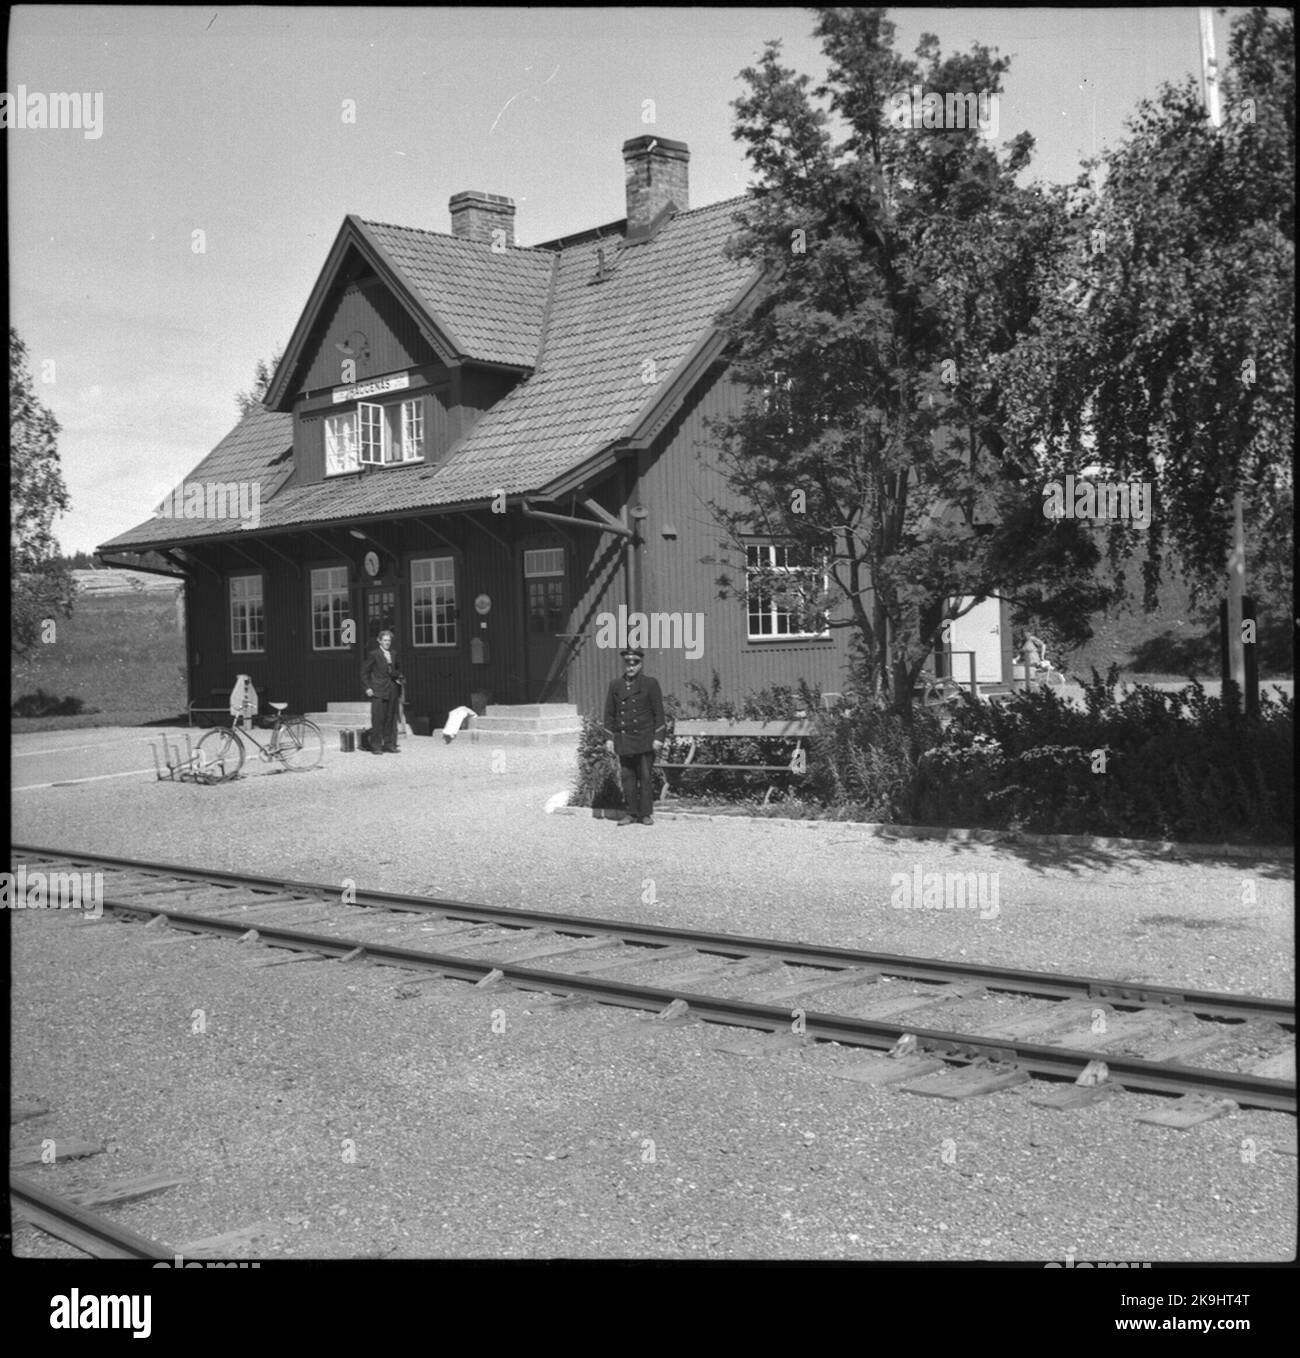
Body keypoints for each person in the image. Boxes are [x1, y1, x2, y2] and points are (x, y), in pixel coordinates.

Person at [602, 647, 666, 826]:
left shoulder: (650, 684)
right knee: (627, 778)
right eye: (628, 664)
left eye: (635, 663)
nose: (631, 667)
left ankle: (645, 813)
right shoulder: (615, 685)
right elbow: (609, 713)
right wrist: (608, 738)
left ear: (641, 664)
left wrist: (659, 737)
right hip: (624, 739)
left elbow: (659, 713)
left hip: (645, 738)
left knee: (645, 777)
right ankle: (630, 813)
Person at [362, 629, 404, 754]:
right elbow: (364, 672)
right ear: (379, 641)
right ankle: (376, 746)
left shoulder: (394, 653)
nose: (387, 643)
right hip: (378, 690)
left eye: (389, 640)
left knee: (390, 718)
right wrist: (367, 687)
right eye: (385, 640)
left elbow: (397, 669)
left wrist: (399, 678)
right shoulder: (373, 654)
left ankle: (389, 744)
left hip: (392, 689)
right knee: (378, 719)